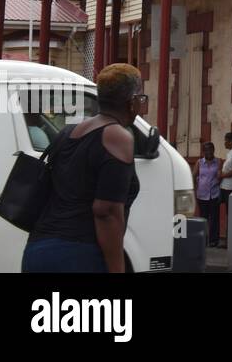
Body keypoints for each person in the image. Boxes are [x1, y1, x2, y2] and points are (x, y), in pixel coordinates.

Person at [21, 63, 145, 273]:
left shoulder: (68, 132)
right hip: (78, 255)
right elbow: (106, 211)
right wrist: (117, 269)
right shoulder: (118, 137)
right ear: (132, 102)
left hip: (37, 251)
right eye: (141, 98)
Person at [194, 141, 222, 247]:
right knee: (203, 218)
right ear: (203, 152)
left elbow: (220, 175)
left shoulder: (218, 161)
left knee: (214, 218)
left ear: (213, 150)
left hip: (214, 194)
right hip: (202, 194)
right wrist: (194, 189)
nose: (208, 152)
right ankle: (203, 240)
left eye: (210, 149)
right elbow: (194, 175)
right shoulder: (199, 162)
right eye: (206, 150)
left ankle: (213, 240)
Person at [218, 131, 232, 246]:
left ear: (231, 141)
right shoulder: (231, 152)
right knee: (225, 212)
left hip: (231, 187)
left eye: (226, 140)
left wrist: (222, 175)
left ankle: (230, 240)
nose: (224, 143)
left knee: (230, 213)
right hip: (224, 186)